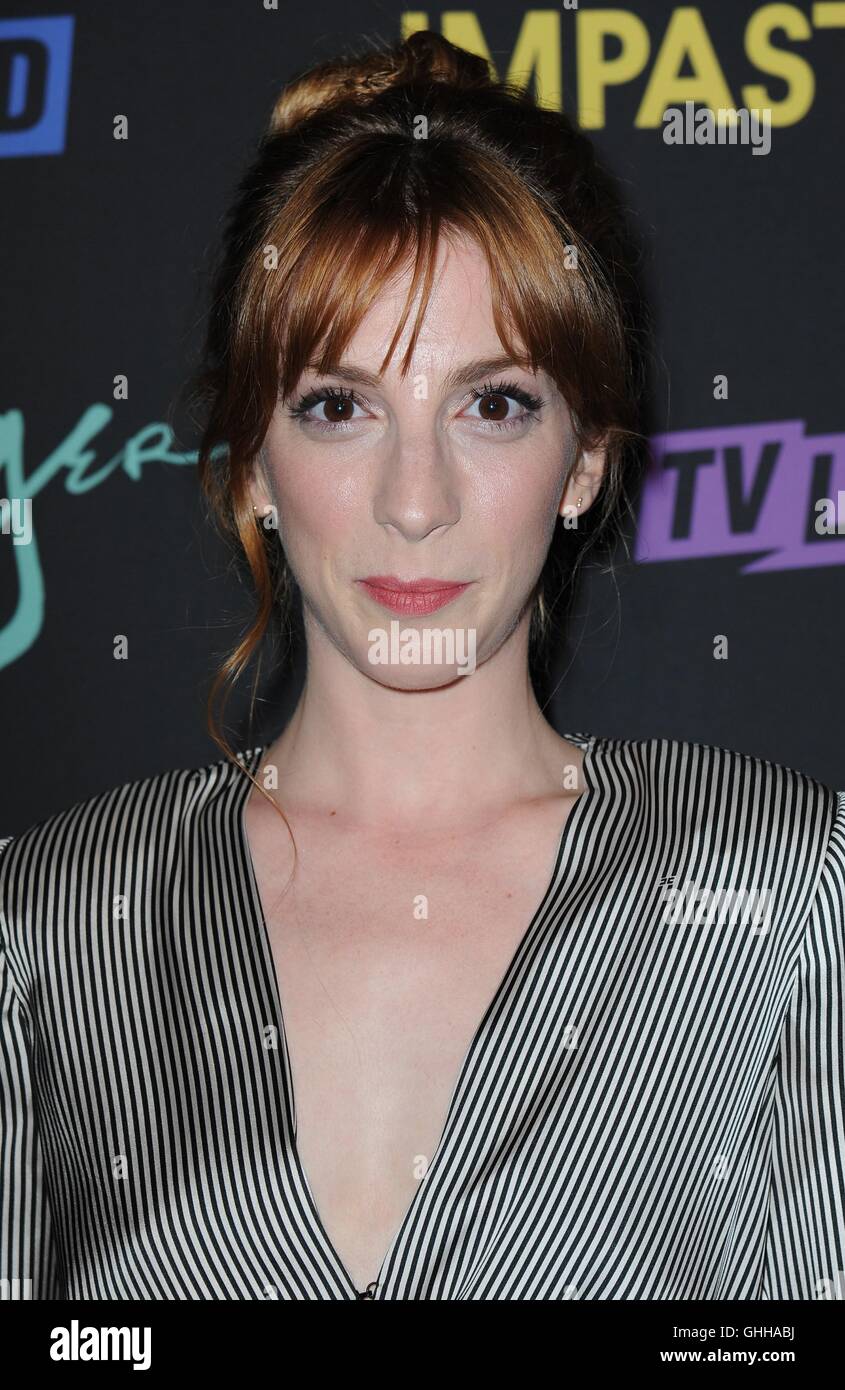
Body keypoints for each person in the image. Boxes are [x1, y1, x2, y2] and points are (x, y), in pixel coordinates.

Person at [1, 30, 843, 1302]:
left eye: (491, 402)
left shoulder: (772, 895)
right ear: (252, 462)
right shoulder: (49, 927)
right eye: (338, 405)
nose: (413, 500)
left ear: (584, 460)